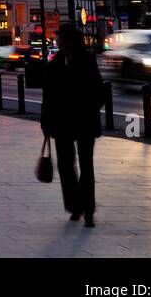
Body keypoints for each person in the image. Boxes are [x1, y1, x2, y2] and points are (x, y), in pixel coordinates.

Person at [40, 23, 105, 227]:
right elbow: (48, 95)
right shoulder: (56, 62)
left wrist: (88, 105)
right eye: (58, 37)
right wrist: (46, 122)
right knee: (65, 166)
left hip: (84, 120)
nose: (58, 40)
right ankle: (76, 206)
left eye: (61, 37)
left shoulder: (86, 61)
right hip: (62, 122)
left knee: (86, 166)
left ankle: (88, 211)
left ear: (69, 41)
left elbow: (99, 91)